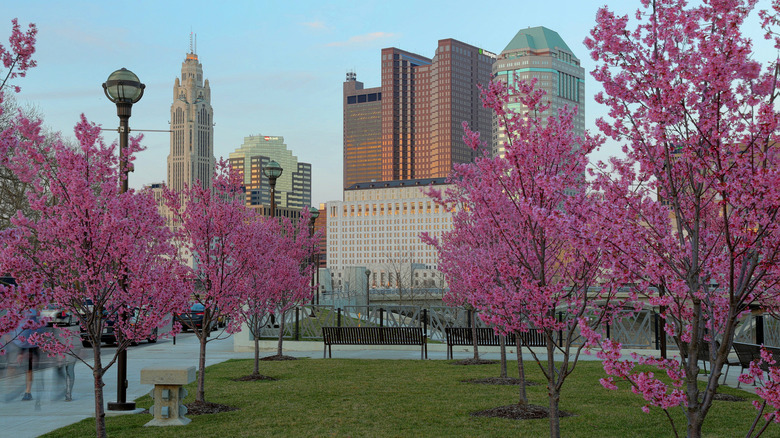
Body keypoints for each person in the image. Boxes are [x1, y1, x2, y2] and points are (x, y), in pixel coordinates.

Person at [13, 309, 42, 401]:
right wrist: (20, 353)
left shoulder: (37, 323)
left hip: (33, 348)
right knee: (28, 370)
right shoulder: (26, 323)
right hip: (27, 346)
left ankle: (28, 391)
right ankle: (27, 391)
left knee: (29, 370)